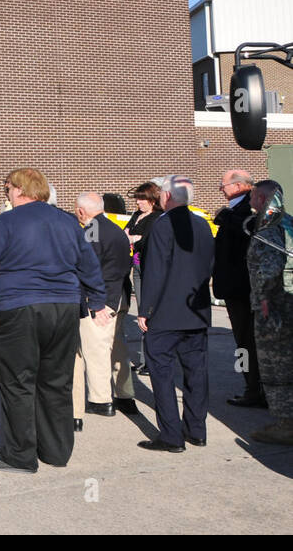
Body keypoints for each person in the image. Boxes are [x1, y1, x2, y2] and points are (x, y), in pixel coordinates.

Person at [0, 168, 104, 473]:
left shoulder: (5, 222)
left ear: (20, 189)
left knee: (17, 382)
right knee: (56, 381)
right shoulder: (68, 222)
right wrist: (98, 299)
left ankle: (20, 456)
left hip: (16, 307)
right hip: (63, 308)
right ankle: (56, 451)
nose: (7, 194)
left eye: (7, 188)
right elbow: (88, 263)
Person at [136, 175, 215, 452]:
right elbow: (209, 265)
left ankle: (171, 436)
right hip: (196, 311)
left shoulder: (163, 224)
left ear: (167, 196)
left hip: (166, 312)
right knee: (196, 372)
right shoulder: (202, 225)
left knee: (162, 373)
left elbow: (155, 270)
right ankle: (197, 430)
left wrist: (145, 309)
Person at [72, 192, 135, 433]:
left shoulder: (92, 231)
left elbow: (87, 267)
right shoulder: (115, 229)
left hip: (101, 300)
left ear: (81, 211)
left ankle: (101, 400)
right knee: (117, 347)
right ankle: (124, 394)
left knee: (95, 349)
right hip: (119, 296)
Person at [245, 180, 293, 444]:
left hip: (274, 307)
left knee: (275, 365)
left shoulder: (270, 227)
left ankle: (286, 424)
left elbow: (272, 264)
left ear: (262, 199)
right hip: (286, 302)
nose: (250, 200)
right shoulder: (287, 222)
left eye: (253, 196)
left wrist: (264, 297)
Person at [213, 170, 265, 408]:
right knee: (245, 341)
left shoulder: (246, 211)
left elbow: (247, 233)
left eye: (223, 185)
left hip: (241, 288)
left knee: (244, 342)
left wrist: (225, 216)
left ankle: (252, 388)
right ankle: (251, 385)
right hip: (238, 288)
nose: (221, 189)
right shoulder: (236, 211)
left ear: (237, 186)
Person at [124, 182, 163, 375]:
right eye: (137, 199)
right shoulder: (136, 216)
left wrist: (134, 238)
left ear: (152, 200)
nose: (138, 202)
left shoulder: (156, 217)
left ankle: (150, 360)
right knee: (142, 310)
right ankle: (143, 360)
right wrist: (134, 238)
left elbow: (145, 240)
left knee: (150, 312)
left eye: (142, 199)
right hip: (137, 267)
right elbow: (126, 234)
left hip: (149, 267)